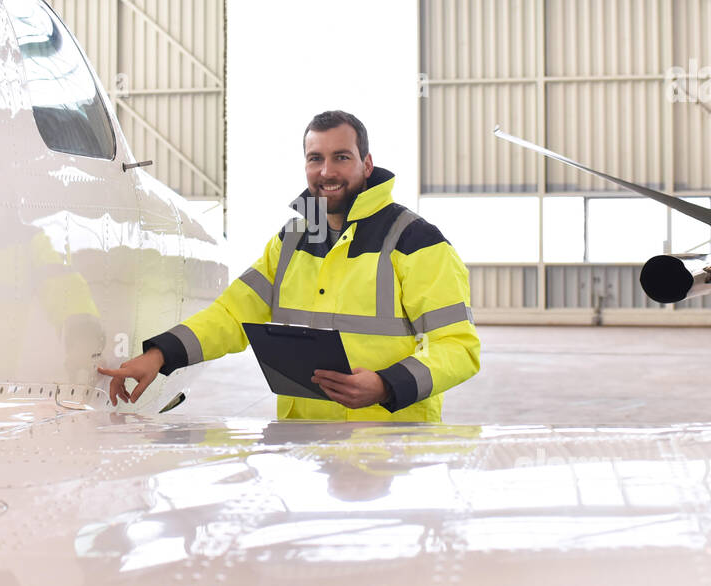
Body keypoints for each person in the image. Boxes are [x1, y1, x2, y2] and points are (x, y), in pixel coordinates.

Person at [97, 110, 480, 421]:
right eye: (316, 158)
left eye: (341, 157)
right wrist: (160, 355)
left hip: (389, 451)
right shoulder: (292, 239)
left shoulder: (417, 242)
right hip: (304, 444)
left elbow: (458, 348)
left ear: (367, 164)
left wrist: (385, 384)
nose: (327, 172)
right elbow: (233, 315)